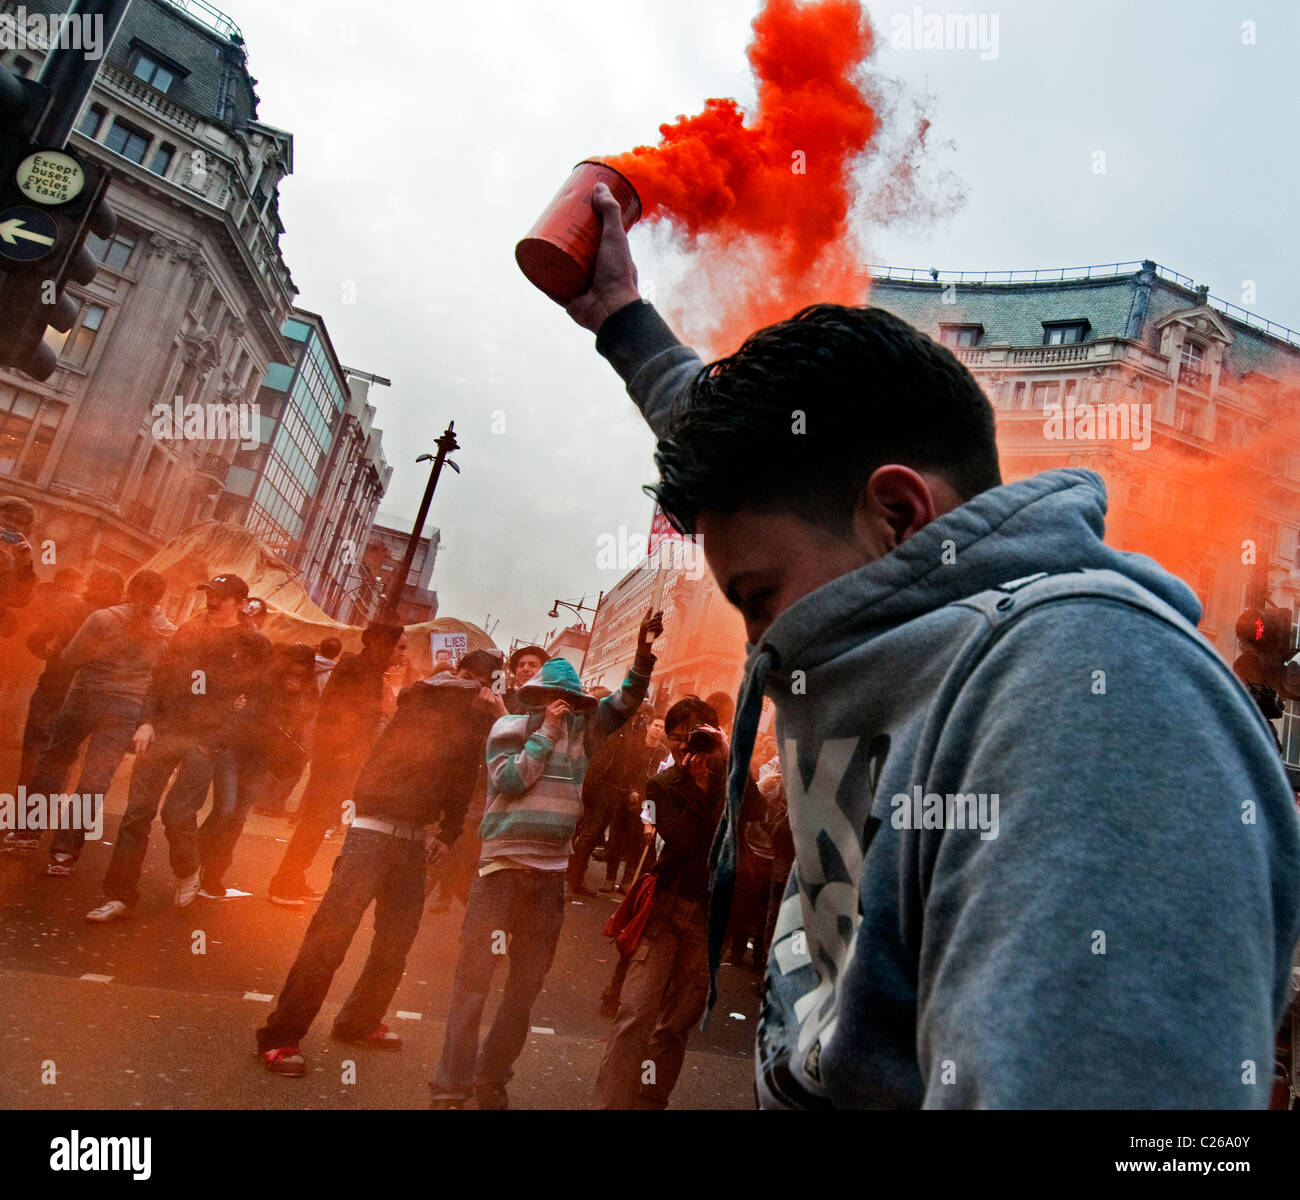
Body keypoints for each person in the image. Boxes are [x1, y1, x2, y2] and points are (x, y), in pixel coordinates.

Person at [565, 181, 1300, 1108]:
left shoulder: (1090, 701)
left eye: (756, 599)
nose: (758, 645)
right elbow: (777, 468)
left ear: (902, 516)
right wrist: (622, 321)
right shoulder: (932, 635)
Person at [428, 610, 661, 1110]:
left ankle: (492, 1080)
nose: (566, 709)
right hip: (500, 874)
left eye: (574, 704)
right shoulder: (508, 726)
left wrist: (643, 652)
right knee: (473, 986)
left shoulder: (585, 732)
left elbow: (623, 703)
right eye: (556, 701)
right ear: (533, 697)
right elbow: (511, 780)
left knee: (522, 992)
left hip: (549, 881)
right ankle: (450, 1086)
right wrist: (547, 732)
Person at [257, 650, 504, 1077]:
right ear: (461, 675)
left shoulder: (474, 718)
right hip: (371, 831)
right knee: (331, 937)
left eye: (482, 683)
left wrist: (446, 834)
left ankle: (360, 1021)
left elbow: (463, 775)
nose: (475, 689)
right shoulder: (427, 696)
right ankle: (281, 1036)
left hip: (412, 839)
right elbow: (417, 726)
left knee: (395, 941)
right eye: (472, 679)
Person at [85, 574, 265, 921]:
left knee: (177, 815)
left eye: (222, 596)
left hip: (204, 740)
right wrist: (147, 721)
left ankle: (187, 868)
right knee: (136, 814)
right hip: (166, 730)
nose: (213, 600)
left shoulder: (253, 643)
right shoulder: (189, 630)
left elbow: (254, 700)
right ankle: (119, 896)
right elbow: (161, 677)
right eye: (210, 593)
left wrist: (217, 740)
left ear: (241, 604)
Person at [593, 700, 725, 1108]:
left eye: (698, 733)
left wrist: (728, 762)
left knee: (676, 1024)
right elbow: (674, 844)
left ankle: (650, 1100)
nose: (688, 743)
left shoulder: (730, 782)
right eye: (679, 734)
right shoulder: (660, 785)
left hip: (707, 917)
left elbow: (756, 812)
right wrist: (699, 792)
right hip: (664, 910)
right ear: (669, 739)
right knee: (636, 1014)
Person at [3, 571, 173, 870]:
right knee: (96, 779)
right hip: (128, 707)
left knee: (55, 761)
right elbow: (164, 677)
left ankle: (26, 833)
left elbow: (70, 658)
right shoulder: (167, 631)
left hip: (85, 697)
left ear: (129, 589)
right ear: (161, 597)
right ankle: (64, 853)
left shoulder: (103, 618)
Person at [267, 622, 406, 906]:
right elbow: (337, 714)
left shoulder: (368, 670)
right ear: (384, 646)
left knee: (318, 823)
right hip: (336, 761)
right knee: (314, 822)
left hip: (342, 760)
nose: (403, 653)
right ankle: (284, 883)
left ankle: (294, 878)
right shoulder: (358, 669)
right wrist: (342, 754)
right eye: (399, 646)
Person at [198, 642, 316, 898]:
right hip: (234, 750)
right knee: (226, 809)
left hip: (261, 758)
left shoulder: (305, 693)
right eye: (291, 672)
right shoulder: (262, 681)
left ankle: (214, 872)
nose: (295, 678)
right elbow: (236, 705)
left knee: (238, 816)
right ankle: (198, 856)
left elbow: (302, 725)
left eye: (301, 674)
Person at [12, 567, 122, 809]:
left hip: (54, 685)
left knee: (34, 747)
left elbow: (35, 641)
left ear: (91, 583)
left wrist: (54, 657)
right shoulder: (116, 620)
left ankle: (23, 809)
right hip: (86, 694)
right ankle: (44, 809)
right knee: (65, 753)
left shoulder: (69, 608)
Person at [502, 644, 546, 714]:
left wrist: (499, 710)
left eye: (533, 665)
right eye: (521, 665)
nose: (525, 669)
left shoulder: (548, 702)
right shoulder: (503, 697)